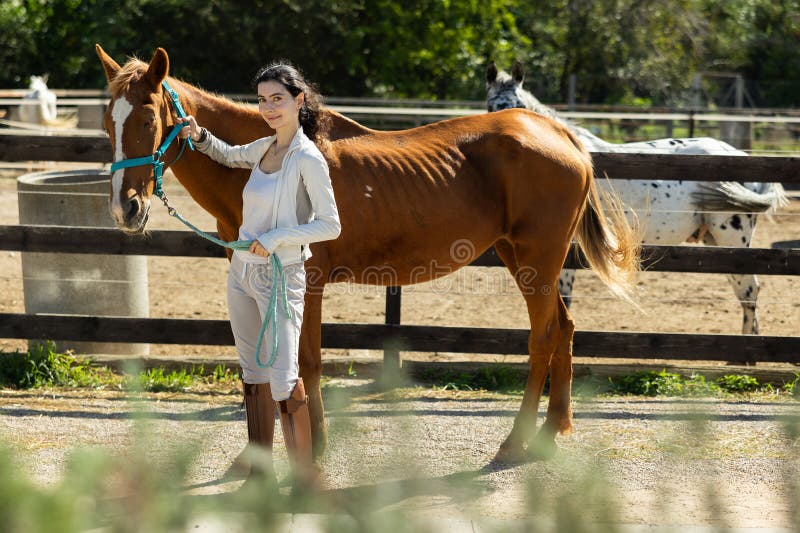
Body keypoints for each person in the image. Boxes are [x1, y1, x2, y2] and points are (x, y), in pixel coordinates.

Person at [178, 62, 341, 488]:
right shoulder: (266, 147)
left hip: (281, 275)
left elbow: (330, 224)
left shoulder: (308, 158)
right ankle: (261, 476)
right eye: (263, 100)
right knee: (253, 374)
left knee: (285, 378)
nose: (269, 108)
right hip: (243, 275)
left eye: (278, 99)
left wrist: (278, 238)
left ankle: (307, 481)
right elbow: (229, 155)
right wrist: (198, 136)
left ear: (298, 101)